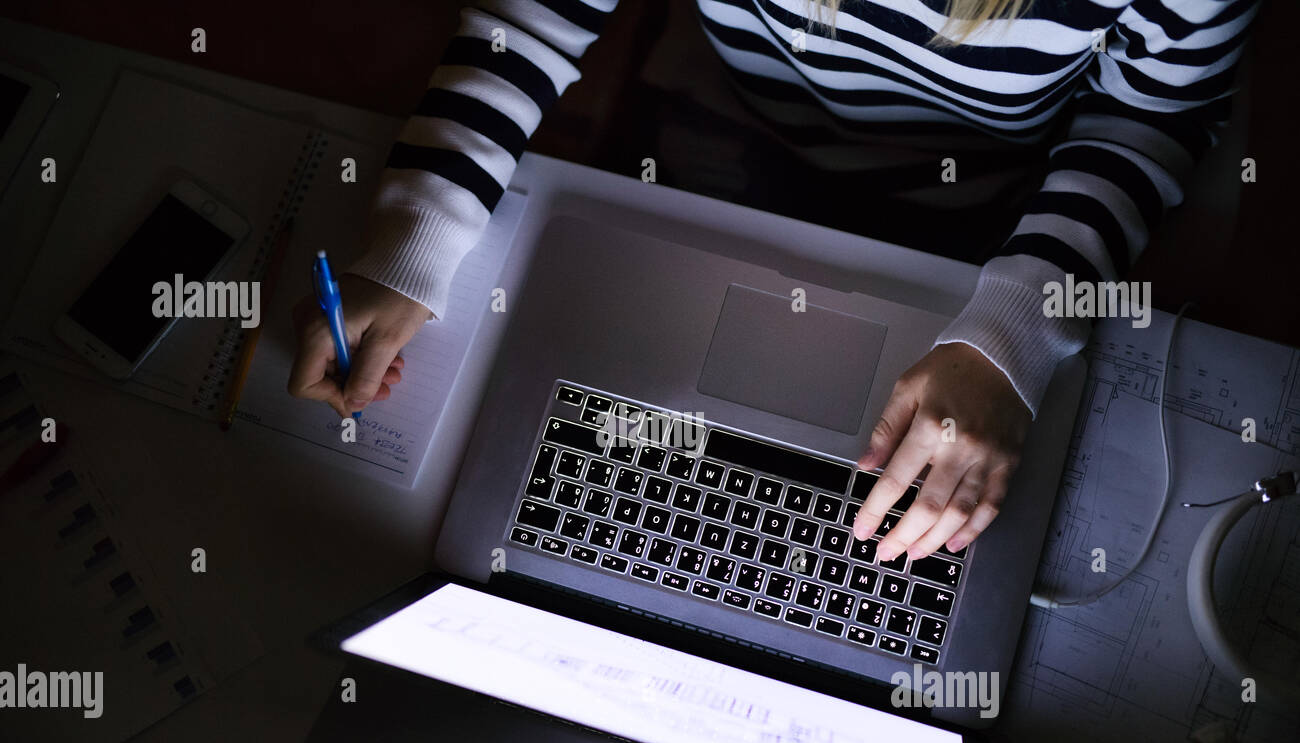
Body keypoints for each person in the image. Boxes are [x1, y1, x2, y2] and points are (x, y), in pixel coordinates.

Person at [287, 0, 1258, 561]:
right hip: (725, 127)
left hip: (1008, 209)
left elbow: (1150, 122)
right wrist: (415, 236)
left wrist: (1010, 336)